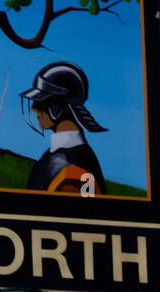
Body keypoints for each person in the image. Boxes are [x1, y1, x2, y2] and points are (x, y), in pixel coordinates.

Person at [20, 61, 107, 194]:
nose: (33, 109)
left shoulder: (76, 168)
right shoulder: (54, 155)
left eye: (40, 102)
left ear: (57, 107)